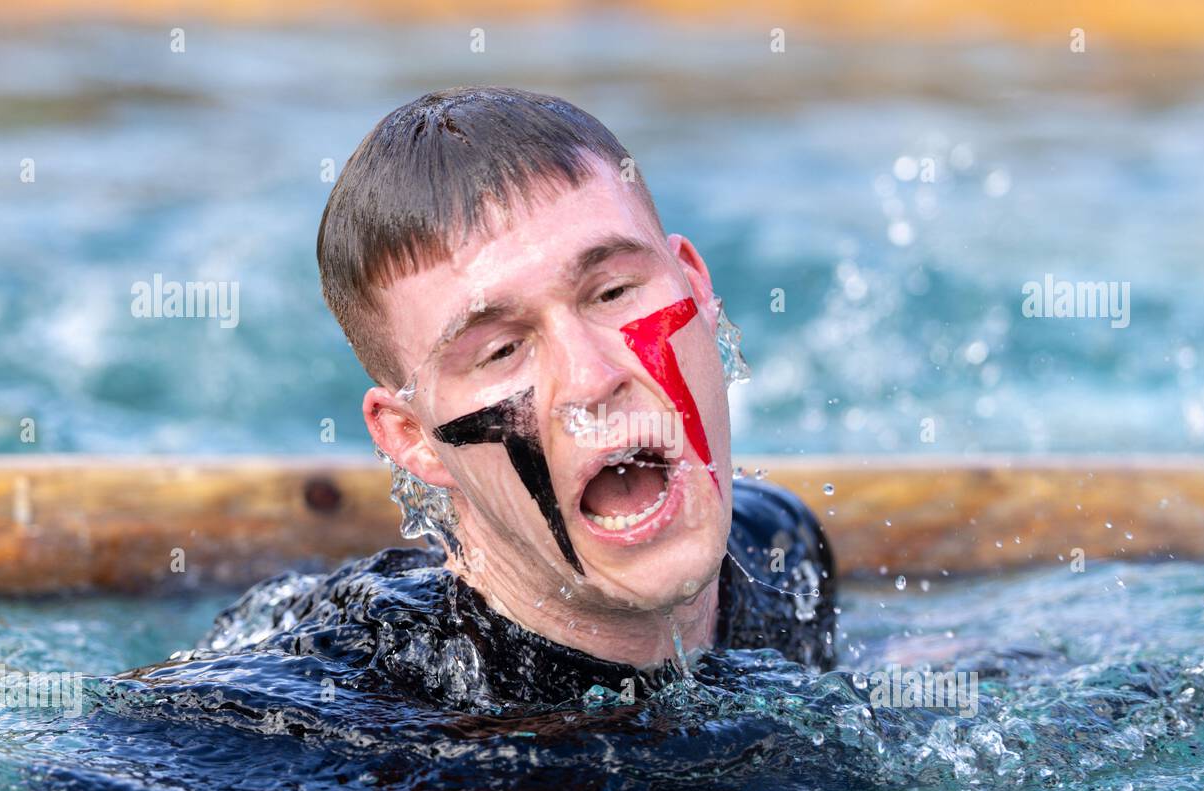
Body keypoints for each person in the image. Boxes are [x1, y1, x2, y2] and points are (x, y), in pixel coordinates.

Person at [218, 85, 837, 711]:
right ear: (411, 437)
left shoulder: (782, 550)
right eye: (502, 351)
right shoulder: (354, 733)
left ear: (699, 288)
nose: (591, 380)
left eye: (614, 292)